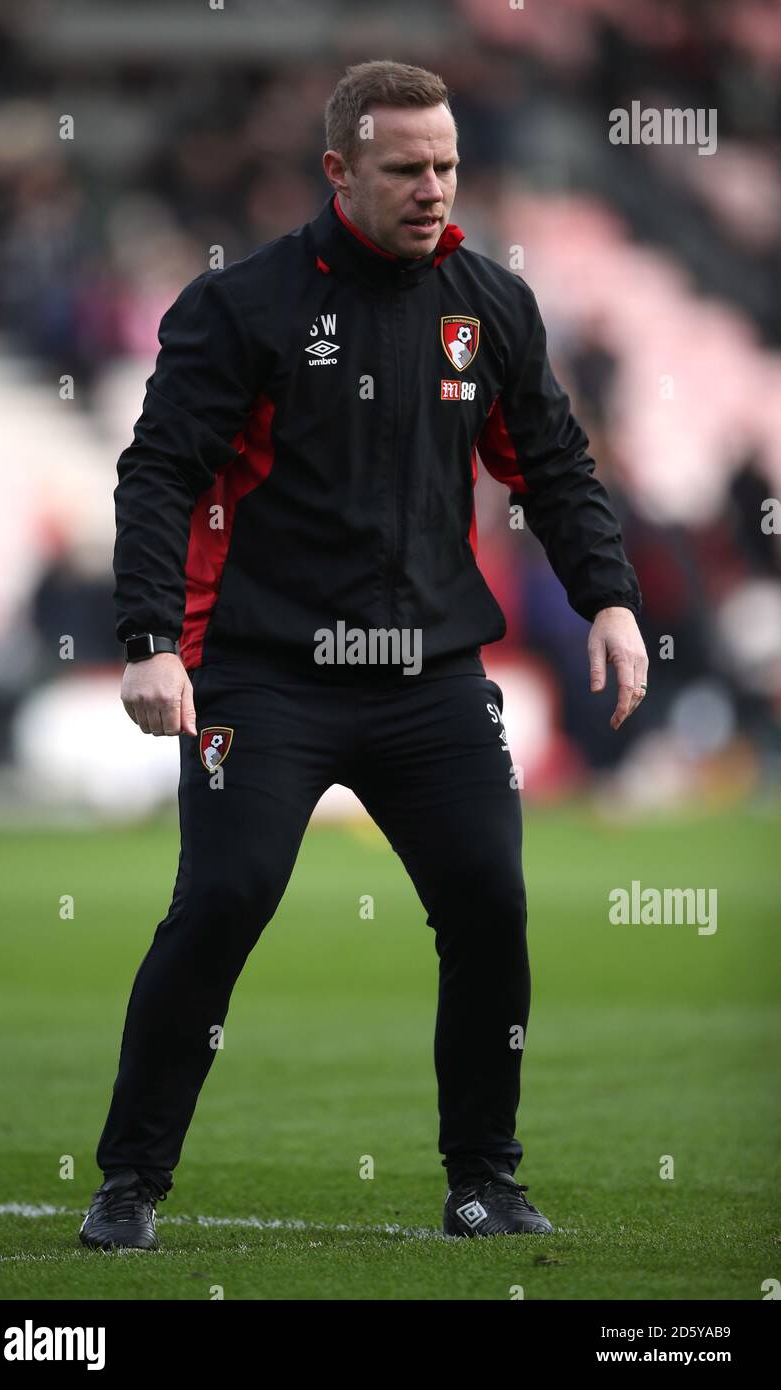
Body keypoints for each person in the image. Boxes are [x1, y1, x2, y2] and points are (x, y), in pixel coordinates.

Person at [79, 59, 647, 1251]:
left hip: (431, 680)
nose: (433, 188)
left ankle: (482, 1180)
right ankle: (129, 1181)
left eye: (446, 166)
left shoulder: (490, 304)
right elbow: (159, 473)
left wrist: (606, 598)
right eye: (405, 169)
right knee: (222, 899)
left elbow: (550, 464)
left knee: (489, 904)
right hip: (263, 678)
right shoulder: (243, 306)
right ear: (339, 170)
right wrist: (149, 640)